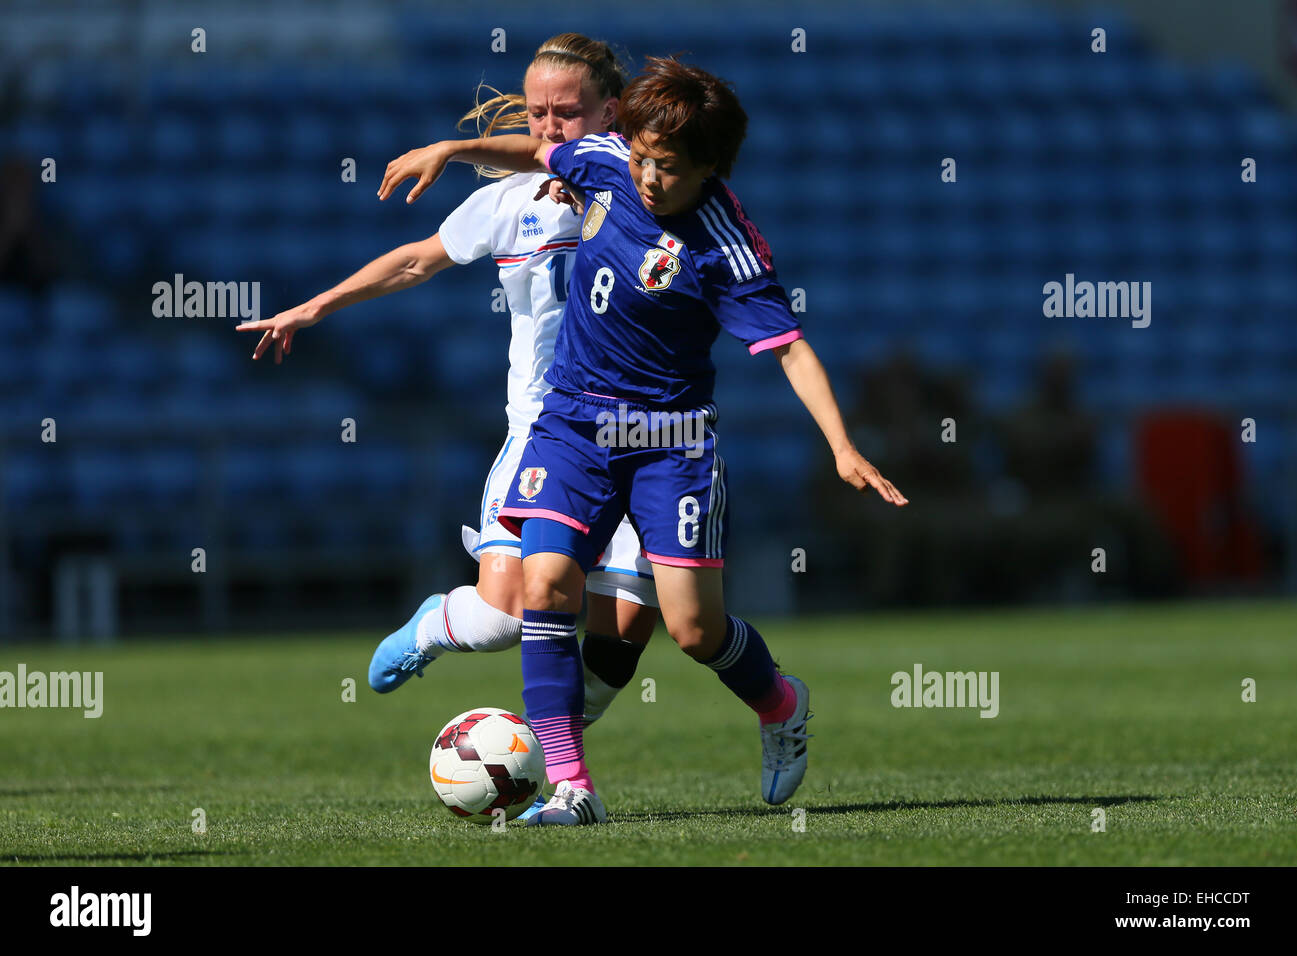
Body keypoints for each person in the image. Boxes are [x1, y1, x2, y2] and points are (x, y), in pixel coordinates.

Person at [379, 57, 908, 825]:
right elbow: (539, 151)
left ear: (710, 168)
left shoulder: (727, 248)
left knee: (694, 629)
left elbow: (790, 349)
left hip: (671, 442)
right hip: (573, 425)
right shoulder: (606, 163)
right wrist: (448, 151)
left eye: (668, 168)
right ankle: (572, 790)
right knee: (545, 586)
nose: (649, 178)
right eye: (642, 158)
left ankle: (781, 705)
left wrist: (842, 444)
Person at [237, 35, 661, 740]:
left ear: (610, 112)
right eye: (536, 113)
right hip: (545, 432)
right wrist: (314, 306)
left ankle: (551, 756)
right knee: (506, 617)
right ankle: (437, 625)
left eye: (568, 112)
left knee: (622, 635)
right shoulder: (509, 204)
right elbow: (414, 263)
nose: (549, 128)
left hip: (636, 432)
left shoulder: (646, 192)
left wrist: (456, 148)